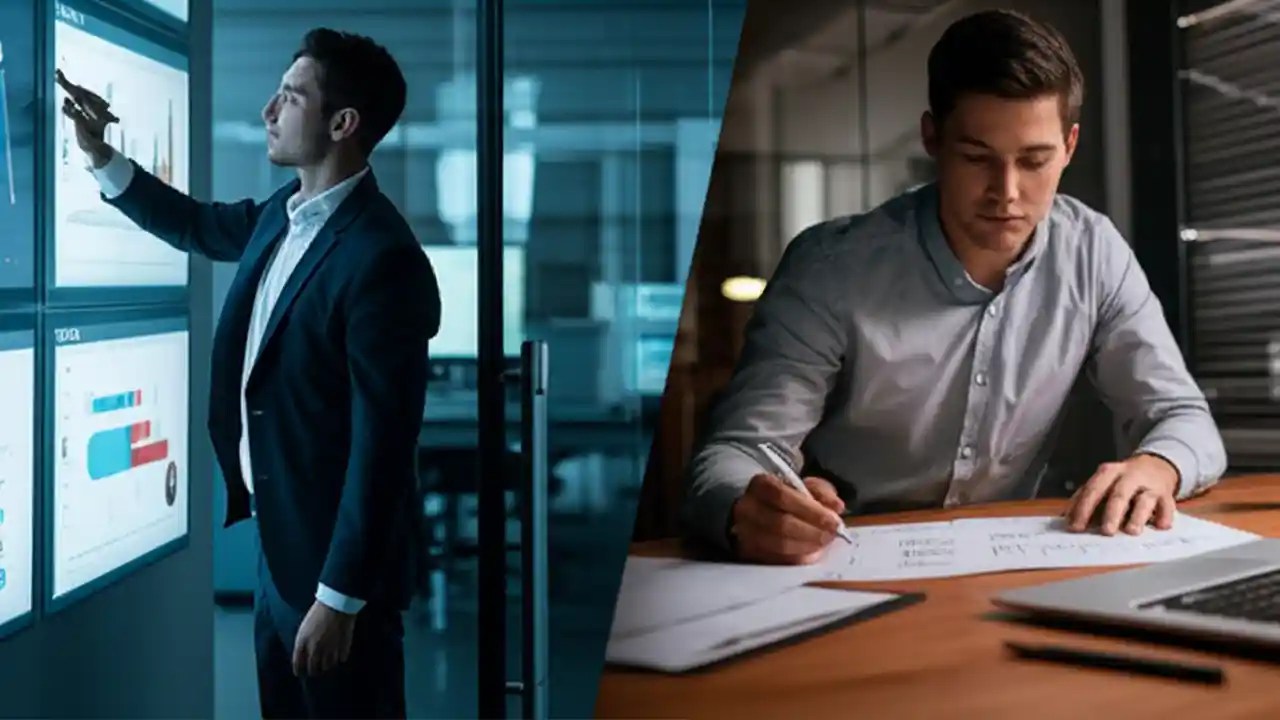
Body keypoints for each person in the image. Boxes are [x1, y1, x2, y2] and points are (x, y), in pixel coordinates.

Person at [684, 9, 1226, 566]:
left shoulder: (1093, 252)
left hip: (1005, 562)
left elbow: (1184, 417)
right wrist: (745, 510)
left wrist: (1158, 466)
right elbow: (737, 453)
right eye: (976, 158)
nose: (1007, 192)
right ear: (932, 138)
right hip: (843, 558)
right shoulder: (831, 268)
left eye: (1035, 160)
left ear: (1070, 146)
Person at [59, 27, 439, 719]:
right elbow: (197, 226)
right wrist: (99, 156)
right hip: (281, 550)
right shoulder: (281, 217)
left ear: (343, 123)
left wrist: (338, 600)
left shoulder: (382, 259)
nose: (269, 110)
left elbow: (383, 450)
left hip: (334, 577)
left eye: (291, 96)